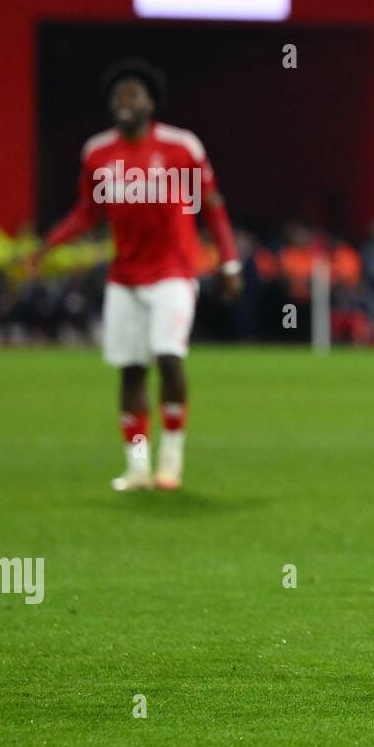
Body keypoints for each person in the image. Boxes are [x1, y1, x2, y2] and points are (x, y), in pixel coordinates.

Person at [26, 59, 242, 491]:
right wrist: (48, 245)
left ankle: (172, 457)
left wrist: (229, 261)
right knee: (130, 371)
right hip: (124, 276)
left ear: (150, 102)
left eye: (133, 94)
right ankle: (137, 465)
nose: (123, 102)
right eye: (117, 95)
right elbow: (88, 211)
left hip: (174, 271)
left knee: (168, 357)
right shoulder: (97, 152)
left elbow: (212, 206)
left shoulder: (182, 147)